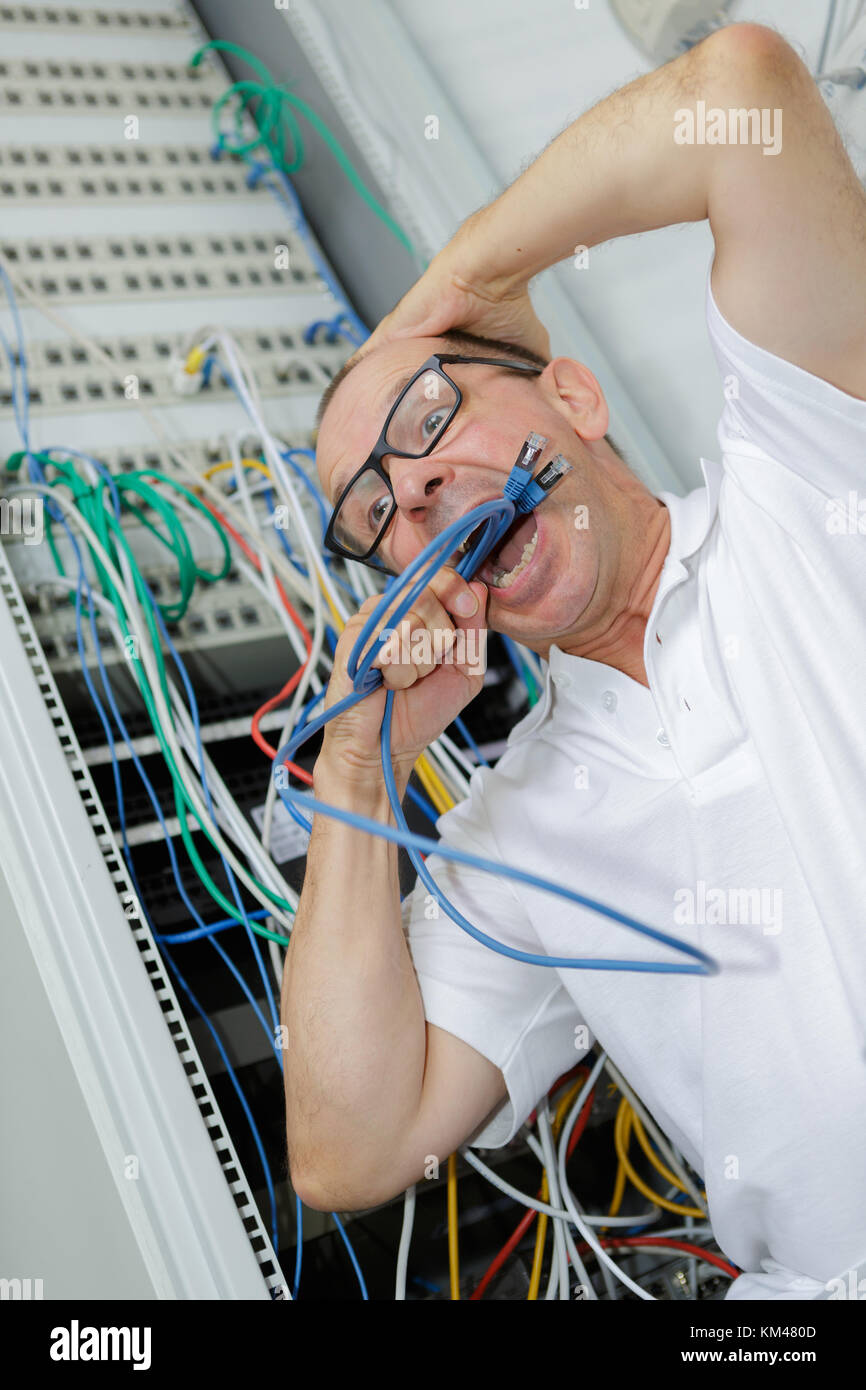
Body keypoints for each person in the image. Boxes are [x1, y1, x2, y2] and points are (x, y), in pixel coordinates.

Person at [280, 21, 866, 1299]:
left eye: (431, 415)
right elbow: (346, 1147)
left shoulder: (810, 473)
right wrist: (360, 773)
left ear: (574, 399)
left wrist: (461, 277)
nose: (422, 487)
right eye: (384, 515)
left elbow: (746, 97)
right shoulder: (517, 829)